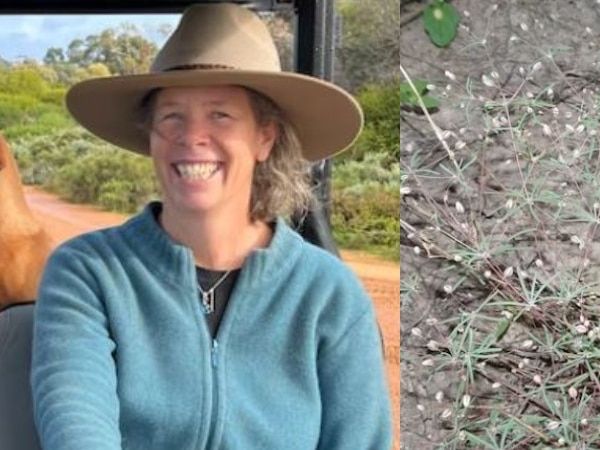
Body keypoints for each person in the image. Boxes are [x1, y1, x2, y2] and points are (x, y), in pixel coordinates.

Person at [30, 3, 392, 449]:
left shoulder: (328, 294)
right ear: (150, 137)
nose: (192, 137)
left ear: (265, 137)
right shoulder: (88, 272)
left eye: (220, 115)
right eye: (171, 117)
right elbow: (76, 423)